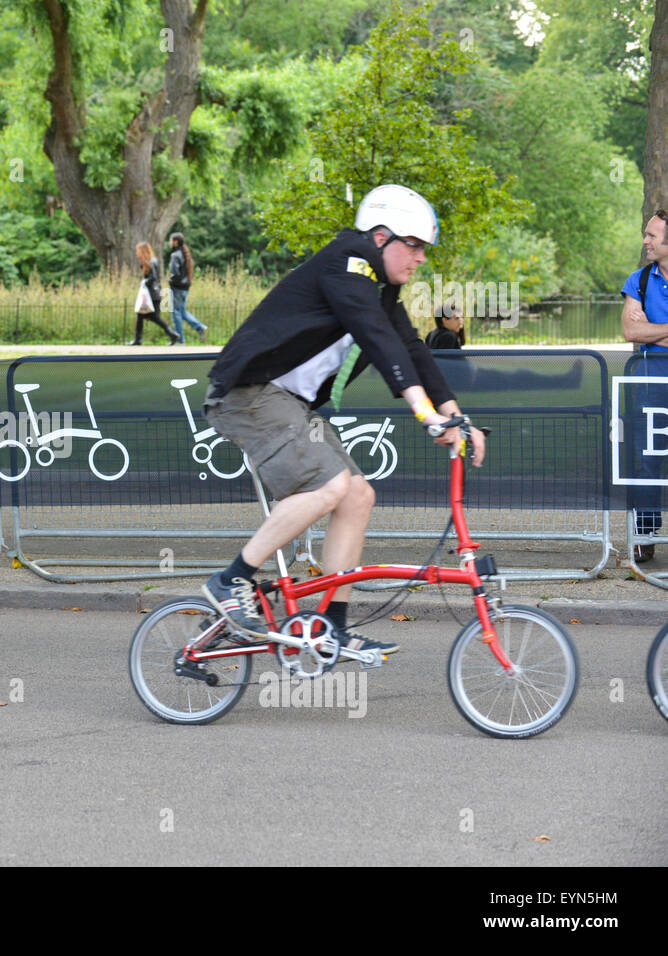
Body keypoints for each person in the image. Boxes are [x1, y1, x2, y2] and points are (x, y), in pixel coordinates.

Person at [200, 184, 486, 653]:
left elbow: (410, 347)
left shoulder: (379, 287)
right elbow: (376, 338)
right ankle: (232, 580)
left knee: (357, 495)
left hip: (290, 402)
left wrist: (456, 415)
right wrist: (424, 414)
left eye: (424, 251)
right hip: (248, 392)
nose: (419, 260)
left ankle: (330, 624)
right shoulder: (347, 260)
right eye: (412, 246)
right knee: (326, 486)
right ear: (379, 238)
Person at [621, 209, 668, 562]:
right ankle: (645, 534)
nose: (645, 240)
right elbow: (632, 332)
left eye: (652, 235)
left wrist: (655, 326)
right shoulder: (638, 280)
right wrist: (648, 327)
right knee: (648, 457)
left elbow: (646, 331)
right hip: (650, 383)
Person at [129, 241, 180, 346]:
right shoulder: (150, 262)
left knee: (152, 317)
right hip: (154, 293)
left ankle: (172, 334)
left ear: (143, 251)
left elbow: (153, 278)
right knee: (144, 316)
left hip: (152, 294)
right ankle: (171, 334)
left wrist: (145, 282)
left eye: (138, 251)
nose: (136, 253)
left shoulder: (151, 262)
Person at [168, 232, 207, 344]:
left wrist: (170, 282)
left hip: (177, 288)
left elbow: (174, 273)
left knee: (175, 312)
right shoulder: (186, 254)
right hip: (185, 287)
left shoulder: (175, 255)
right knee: (182, 312)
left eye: (171, 240)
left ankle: (180, 340)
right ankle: (200, 328)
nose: (170, 243)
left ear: (175, 242)